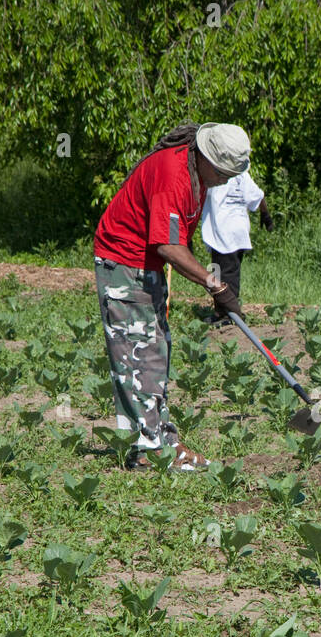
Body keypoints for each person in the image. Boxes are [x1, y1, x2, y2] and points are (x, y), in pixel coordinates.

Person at [92, 121, 250, 471]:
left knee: (157, 348)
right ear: (207, 157)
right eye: (223, 171)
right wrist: (216, 285)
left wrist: (210, 282)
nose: (226, 178)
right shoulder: (173, 175)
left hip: (148, 265)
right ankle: (147, 450)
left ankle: (162, 437)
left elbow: (178, 236)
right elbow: (168, 245)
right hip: (123, 260)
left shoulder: (197, 175)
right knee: (137, 352)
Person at [200, 169, 273, 325]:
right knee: (227, 271)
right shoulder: (241, 175)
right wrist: (265, 214)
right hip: (238, 230)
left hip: (223, 230)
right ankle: (223, 312)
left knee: (224, 273)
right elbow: (258, 196)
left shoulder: (213, 174)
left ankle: (228, 315)